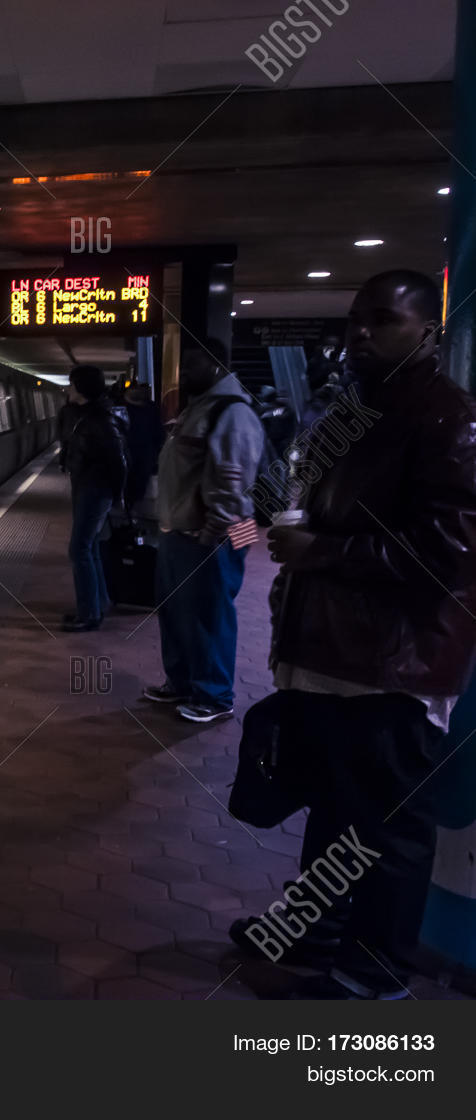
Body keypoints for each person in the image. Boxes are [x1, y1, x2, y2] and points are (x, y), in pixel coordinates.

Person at [243, 270, 476, 1000]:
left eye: (383, 320)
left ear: (428, 331)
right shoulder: (364, 410)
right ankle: (310, 930)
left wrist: (322, 553)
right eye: (354, 322)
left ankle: (374, 974)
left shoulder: (448, 420)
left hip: (395, 664)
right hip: (335, 654)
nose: (361, 335)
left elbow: (450, 556)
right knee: (336, 806)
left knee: (389, 824)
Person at [141, 339, 265, 722]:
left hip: (216, 534)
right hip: (183, 533)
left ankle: (214, 695)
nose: (183, 375)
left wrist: (212, 534)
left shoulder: (232, 413)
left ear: (215, 366)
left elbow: (233, 481)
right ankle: (181, 682)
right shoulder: (199, 409)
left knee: (210, 613)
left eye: (191, 367)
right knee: (176, 610)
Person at [60, 364, 126, 632]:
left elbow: (117, 460)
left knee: (79, 548)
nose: (69, 389)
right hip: (88, 487)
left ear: (82, 388)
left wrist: (118, 496)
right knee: (92, 546)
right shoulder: (88, 415)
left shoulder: (99, 420)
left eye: (73, 384)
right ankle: (98, 604)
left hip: (95, 490)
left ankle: (89, 615)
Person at [122, 382, 164, 512]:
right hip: (146, 451)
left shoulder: (122, 407)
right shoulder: (152, 407)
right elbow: (159, 431)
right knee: (140, 481)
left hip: (128, 449)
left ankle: (129, 505)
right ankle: (136, 506)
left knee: (129, 479)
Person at [254, 385, 297, 460]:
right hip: (275, 443)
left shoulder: (282, 406)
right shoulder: (265, 408)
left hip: (285, 441)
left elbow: (286, 415)